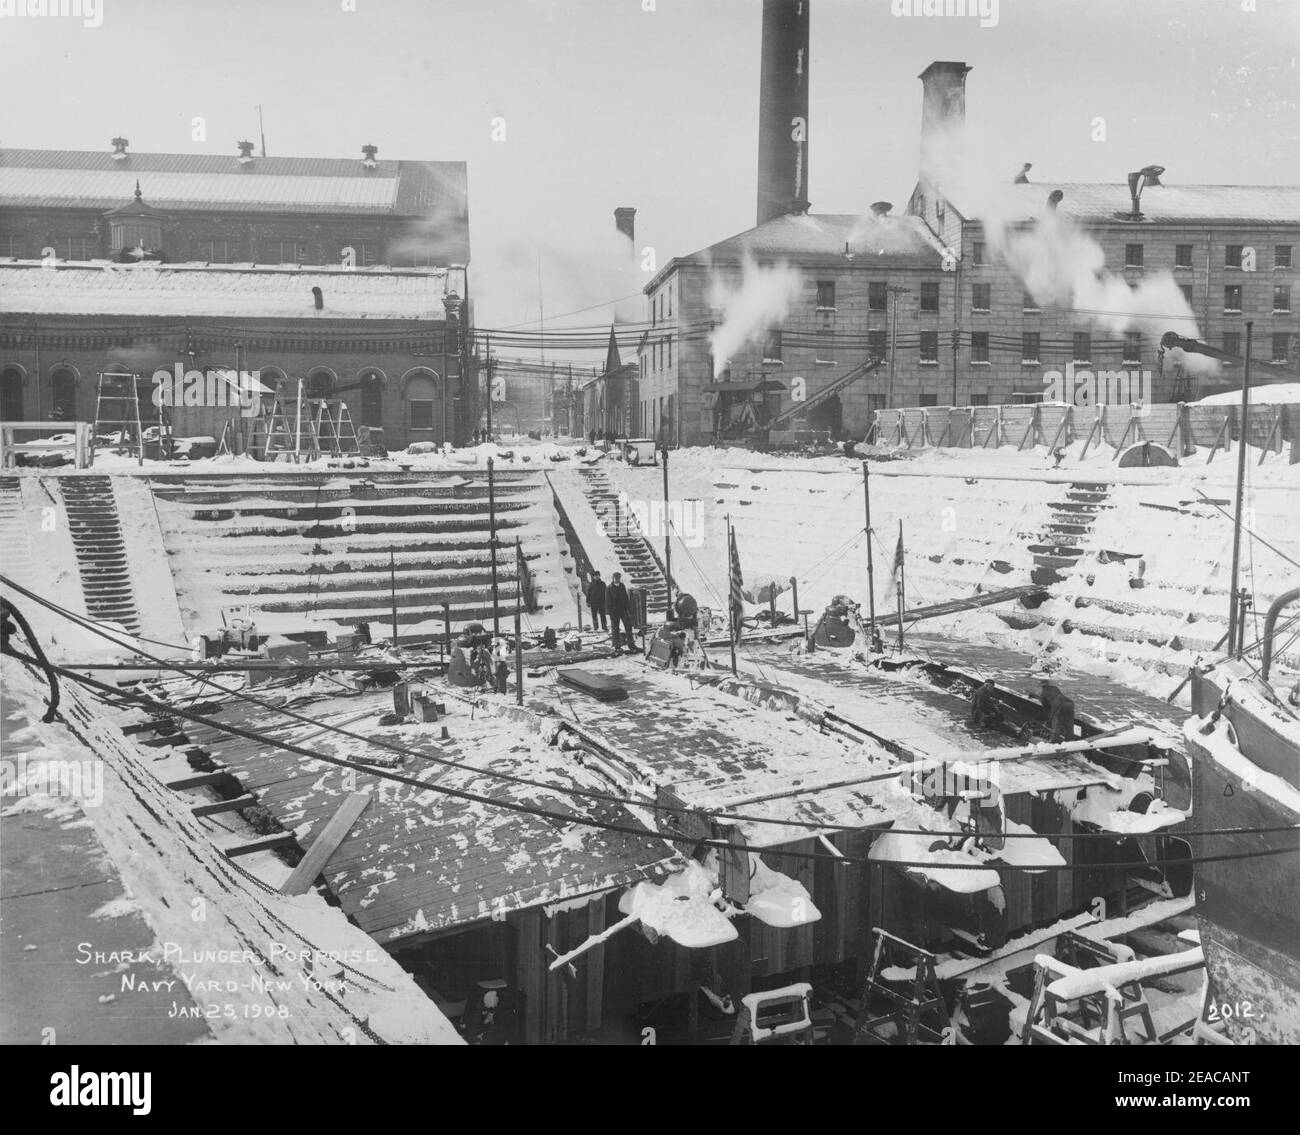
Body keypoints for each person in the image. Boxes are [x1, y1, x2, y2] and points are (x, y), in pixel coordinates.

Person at [1038, 677, 1076, 743]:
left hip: (1059, 707)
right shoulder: (1055, 688)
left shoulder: (1043, 694)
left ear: (1041, 685)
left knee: (1056, 725)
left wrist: (1049, 719)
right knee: (1069, 725)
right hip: (1069, 704)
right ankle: (1070, 741)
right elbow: (1057, 697)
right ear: (1048, 683)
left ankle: (1054, 742)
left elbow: (1047, 707)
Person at [607, 571, 635, 652]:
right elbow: (608, 601)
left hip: (623, 610)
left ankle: (631, 645)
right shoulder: (609, 588)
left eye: (618, 578)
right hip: (614, 612)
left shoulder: (622, 586)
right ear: (613, 578)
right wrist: (610, 613)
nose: (617, 579)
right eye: (615, 578)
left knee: (628, 628)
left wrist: (628, 609)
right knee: (615, 630)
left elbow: (626, 598)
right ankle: (617, 647)